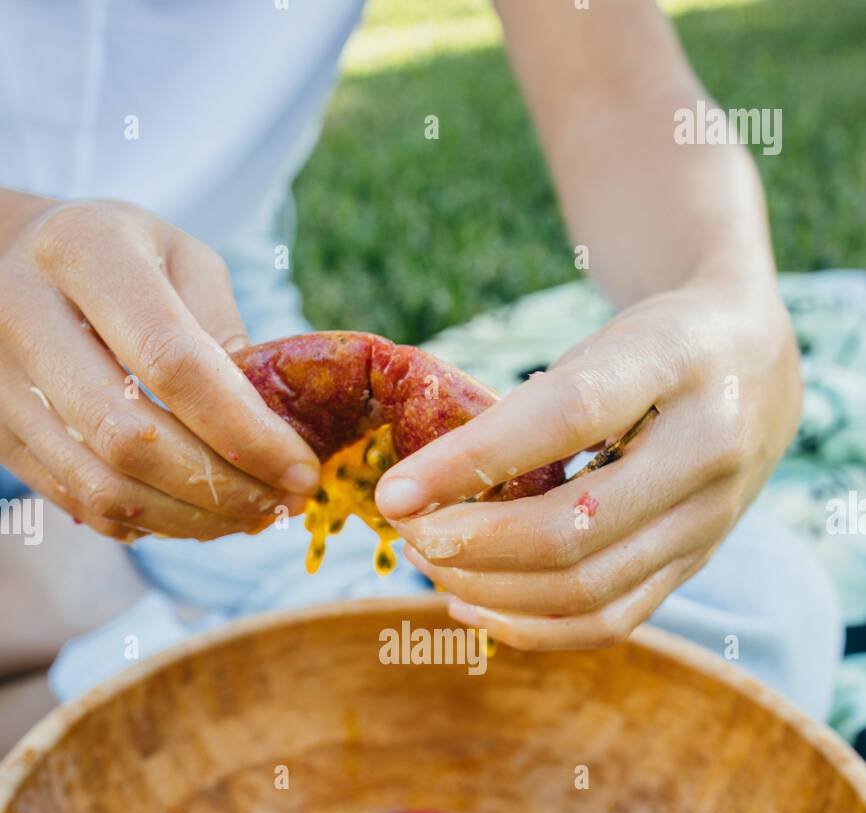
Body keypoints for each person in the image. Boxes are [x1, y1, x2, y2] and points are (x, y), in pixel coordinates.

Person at [0, 0, 841, 753]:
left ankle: (94, 637)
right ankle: (93, 628)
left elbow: (614, 90)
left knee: (766, 616)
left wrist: (732, 302)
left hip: (237, 394)